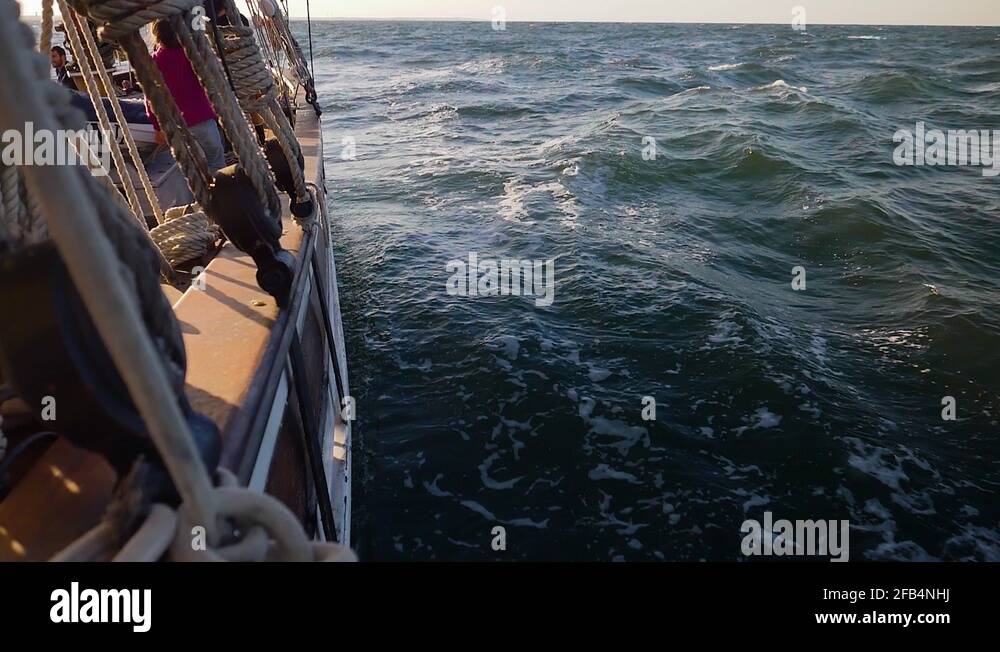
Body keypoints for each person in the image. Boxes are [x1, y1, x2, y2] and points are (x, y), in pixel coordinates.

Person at [146, 19, 226, 172]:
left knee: (189, 168)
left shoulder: (154, 61)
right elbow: (214, 76)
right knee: (216, 162)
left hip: (175, 125)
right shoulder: (192, 54)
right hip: (202, 119)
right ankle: (220, 192)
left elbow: (150, 98)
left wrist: (157, 127)